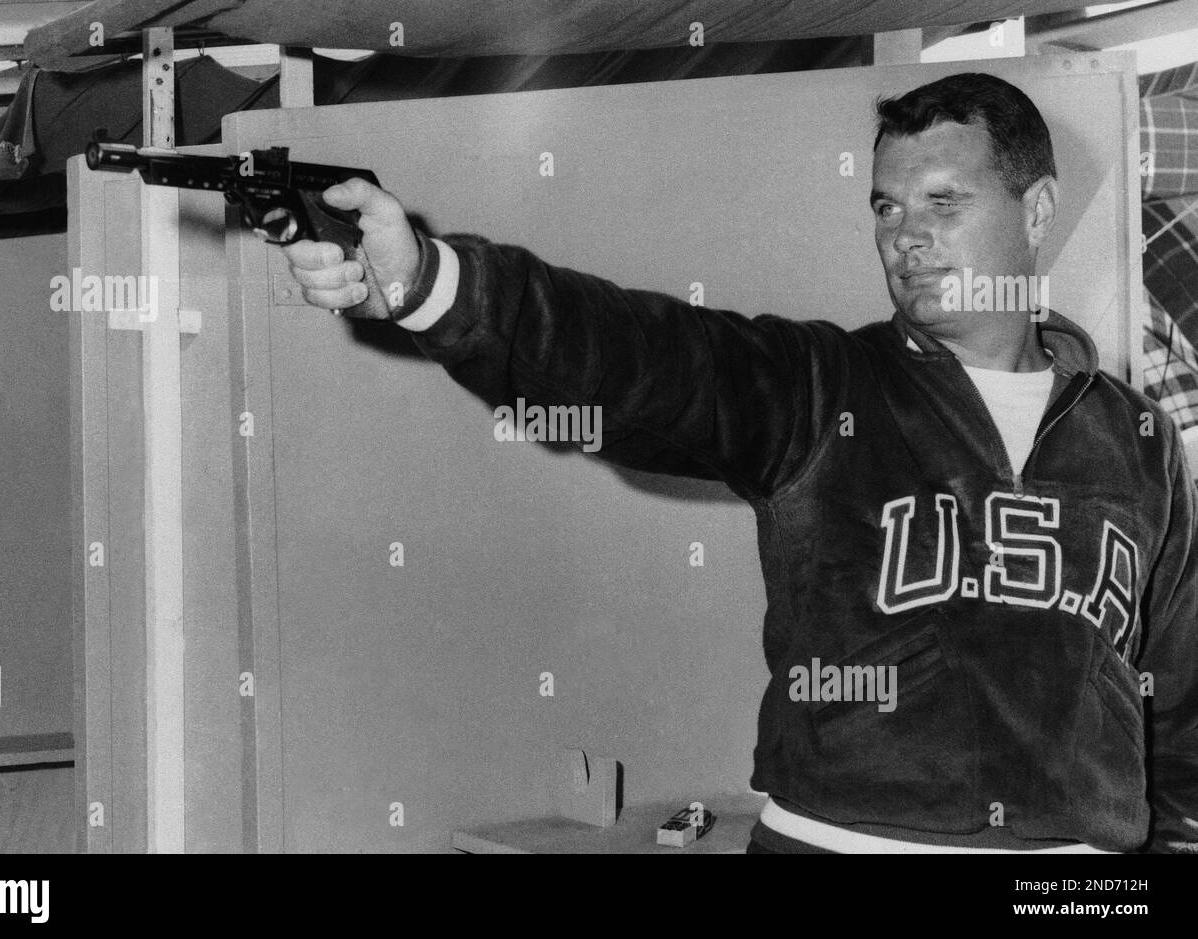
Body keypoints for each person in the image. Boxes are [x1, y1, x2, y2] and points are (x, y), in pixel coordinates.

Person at [282, 72, 1198, 853]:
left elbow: (1179, 706)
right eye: (886, 206)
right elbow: (642, 362)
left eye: (944, 203)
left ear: (1036, 211)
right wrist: (434, 286)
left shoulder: (1137, 441)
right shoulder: (820, 388)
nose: (904, 236)